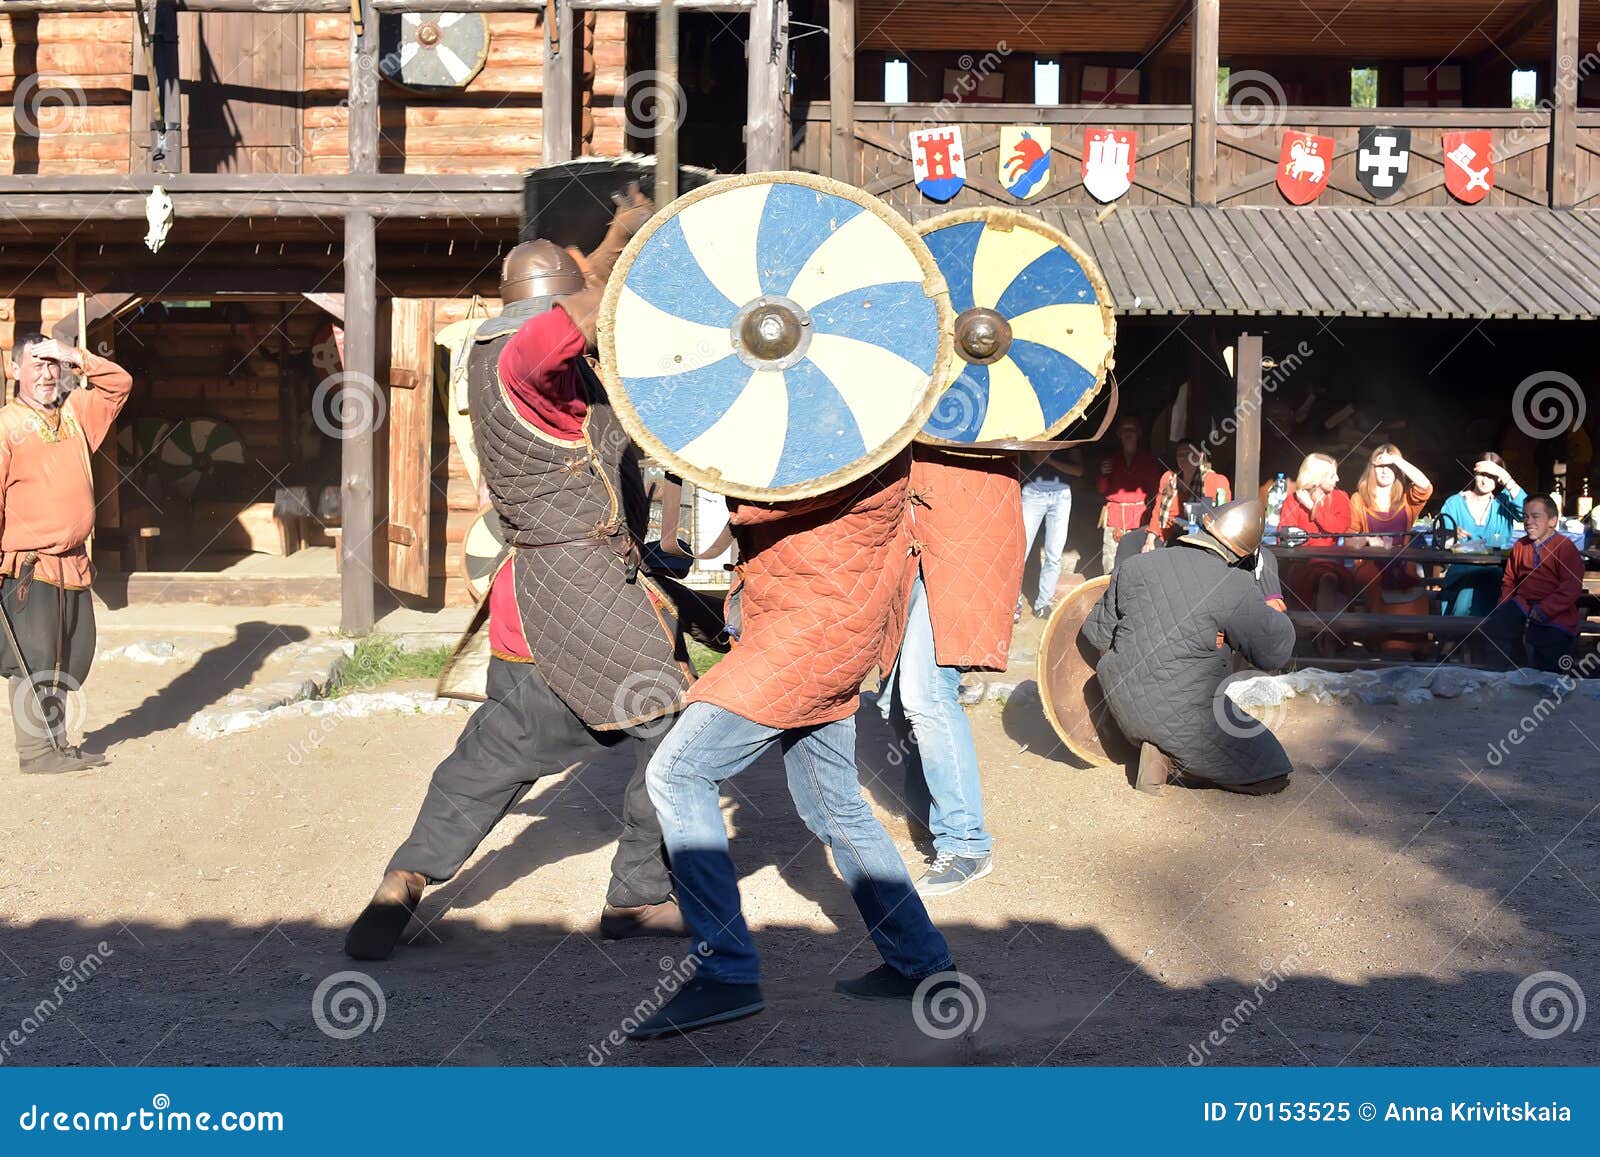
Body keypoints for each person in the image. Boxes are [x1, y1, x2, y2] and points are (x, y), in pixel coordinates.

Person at [345, 191, 699, 961]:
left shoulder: (516, 369)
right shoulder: (521, 363)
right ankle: (639, 898)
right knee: (678, 732)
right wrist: (618, 245)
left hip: (531, 604)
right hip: (581, 590)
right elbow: (557, 336)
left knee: (499, 750)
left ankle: (400, 880)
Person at [628, 454, 955, 1040]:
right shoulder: (862, 420)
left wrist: (692, 453)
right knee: (835, 807)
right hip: (820, 628)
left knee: (678, 773)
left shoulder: (863, 434)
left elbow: (777, 494)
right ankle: (921, 964)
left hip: (808, 635)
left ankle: (725, 972)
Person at [881, 447, 1024, 896]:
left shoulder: (986, 402)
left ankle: (966, 843)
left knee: (927, 693)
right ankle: (929, 815)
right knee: (902, 695)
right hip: (917, 548)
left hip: (962, 545)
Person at [1081, 498, 1297, 795]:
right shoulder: (1233, 583)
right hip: (1186, 713)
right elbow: (1274, 651)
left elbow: (1096, 636)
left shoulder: (1136, 565)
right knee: (1272, 770)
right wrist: (1273, 609)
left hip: (1119, 704)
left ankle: (1148, 743)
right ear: (1242, 552)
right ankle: (1166, 761)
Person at [0, 335, 132, 773]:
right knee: (34, 657)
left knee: (68, 656)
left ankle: (57, 746)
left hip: (74, 562)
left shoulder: (75, 414)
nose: (47, 373)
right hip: (29, 565)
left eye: (53, 364)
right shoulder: (6, 426)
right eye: (35, 364)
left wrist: (75, 356)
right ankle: (35, 754)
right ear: (14, 371)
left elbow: (119, 384)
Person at [1349, 443, 1433, 654]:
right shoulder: (1359, 499)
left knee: (1414, 584)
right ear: (1371, 468)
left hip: (1403, 564)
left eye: (1391, 466)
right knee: (1380, 582)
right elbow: (1349, 540)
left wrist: (1397, 459)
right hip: (1370, 565)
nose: (1386, 470)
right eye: (1380, 465)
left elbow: (1425, 486)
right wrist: (1369, 541)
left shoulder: (1407, 499)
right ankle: (1385, 644)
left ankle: (1414, 644)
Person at [1483, 495, 1584, 672]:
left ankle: (1549, 685)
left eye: (1536, 516)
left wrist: (1545, 609)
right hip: (1523, 604)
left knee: (1550, 642)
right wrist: (1503, 607)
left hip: (1555, 610)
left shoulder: (1564, 546)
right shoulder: (1520, 546)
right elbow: (1509, 581)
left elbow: (1571, 586)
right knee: (1496, 628)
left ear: (1552, 520)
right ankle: (1501, 680)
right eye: (1525, 517)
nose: (1529, 521)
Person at [1438, 453, 1525, 617]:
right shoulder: (1454, 503)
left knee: (1483, 581)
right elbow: (1441, 540)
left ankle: (1457, 637)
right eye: (1482, 474)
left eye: (1492, 476)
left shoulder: (1504, 503)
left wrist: (1507, 478)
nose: (1485, 480)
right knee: (1470, 584)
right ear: (1474, 473)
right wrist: (1451, 534)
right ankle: (1469, 636)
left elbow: (1528, 511)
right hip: (1461, 574)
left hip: (1496, 574)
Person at [1276, 451, 1353, 614]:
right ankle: (1323, 633)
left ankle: (1324, 632)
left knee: (1328, 578)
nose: (1338, 479)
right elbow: (1284, 537)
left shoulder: (1340, 497)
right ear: (1317, 478)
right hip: (1302, 562)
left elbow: (1339, 527)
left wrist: (1313, 507)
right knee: (1323, 577)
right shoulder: (1293, 500)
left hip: (1331, 562)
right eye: (1332, 475)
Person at [1017, 445, 1080, 620]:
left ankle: (1044, 604)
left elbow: (1078, 470)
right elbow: (1031, 459)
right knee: (1021, 550)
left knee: (1054, 554)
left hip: (1061, 495)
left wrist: (1050, 460)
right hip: (1033, 492)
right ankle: (1013, 604)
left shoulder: (1068, 435)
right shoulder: (1034, 429)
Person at [1097, 417, 1162, 574]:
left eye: (1132, 430)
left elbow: (1155, 490)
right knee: (1110, 562)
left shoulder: (1148, 460)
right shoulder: (1112, 460)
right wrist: (1103, 475)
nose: (1128, 434)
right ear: (1119, 435)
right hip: (1115, 517)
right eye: (1125, 430)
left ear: (1138, 434)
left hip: (1139, 517)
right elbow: (1102, 490)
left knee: (1137, 562)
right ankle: (1110, 594)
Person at [1144, 440, 1230, 549]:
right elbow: (1157, 511)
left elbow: (1222, 517)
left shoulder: (1217, 481)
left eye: (1188, 454)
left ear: (1200, 456)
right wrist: (1149, 540)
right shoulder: (1169, 477)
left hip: (1199, 538)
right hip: (1165, 534)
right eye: (1180, 455)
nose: (1183, 458)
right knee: (1128, 541)